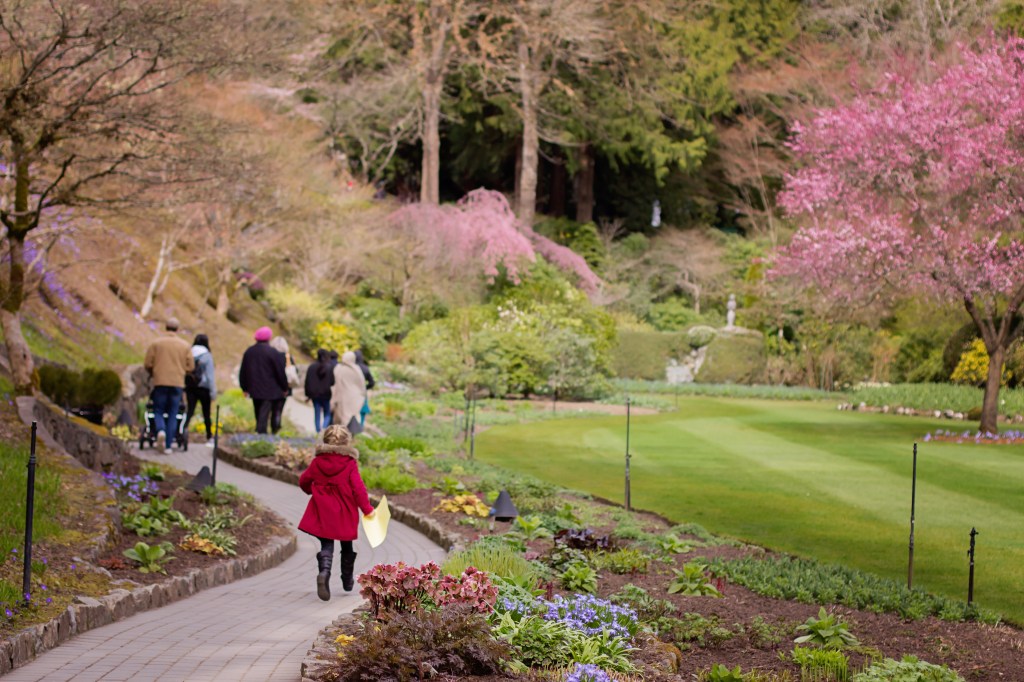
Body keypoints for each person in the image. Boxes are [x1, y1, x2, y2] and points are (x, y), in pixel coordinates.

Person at [298, 425, 375, 600]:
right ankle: (347, 579)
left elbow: (304, 480)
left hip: (322, 510)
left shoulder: (318, 461)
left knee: (327, 544)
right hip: (345, 510)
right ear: (347, 442)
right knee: (346, 544)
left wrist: (311, 490)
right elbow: (358, 489)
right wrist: (367, 510)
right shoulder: (349, 463)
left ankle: (324, 573)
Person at [143, 317, 194, 454]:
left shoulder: (156, 344)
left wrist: (154, 372)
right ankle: (168, 446)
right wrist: (182, 371)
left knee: (158, 410)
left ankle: (160, 430)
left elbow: (148, 363)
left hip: (160, 381)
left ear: (166, 327)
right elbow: (191, 366)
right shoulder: (184, 345)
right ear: (177, 329)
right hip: (177, 383)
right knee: (173, 413)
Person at [238, 326, 289, 434]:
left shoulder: (249, 351)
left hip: (254, 388)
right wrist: (284, 387)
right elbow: (280, 372)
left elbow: (243, 371)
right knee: (264, 414)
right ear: (268, 338)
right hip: (269, 390)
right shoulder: (272, 352)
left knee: (258, 412)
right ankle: (261, 435)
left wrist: (244, 387)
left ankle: (260, 433)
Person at [184, 334, 216, 446]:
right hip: (204, 388)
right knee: (206, 413)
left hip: (190, 387)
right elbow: (210, 375)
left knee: (190, 411)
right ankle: (209, 436)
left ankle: (182, 430)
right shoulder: (207, 356)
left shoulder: (189, 353)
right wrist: (213, 392)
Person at [330, 351, 368, 434]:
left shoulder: (339, 368)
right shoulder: (357, 370)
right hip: (353, 398)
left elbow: (335, 383)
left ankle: (339, 438)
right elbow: (362, 386)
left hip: (341, 397)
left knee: (341, 419)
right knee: (349, 418)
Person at [269, 335, 299, 435]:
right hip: (285, 388)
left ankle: (271, 427)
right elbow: (295, 371)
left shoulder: (270, 356)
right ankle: (276, 427)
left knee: (270, 409)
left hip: (272, 387)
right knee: (278, 410)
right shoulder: (288, 357)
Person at [304, 348, 335, 432]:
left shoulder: (311, 367)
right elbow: (332, 382)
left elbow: (307, 382)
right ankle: (324, 428)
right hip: (326, 394)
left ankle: (318, 430)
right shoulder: (329, 367)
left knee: (317, 413)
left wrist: (308, 395)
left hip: (315, 395)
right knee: (327, 413)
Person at [353, 349, 375, 426]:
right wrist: (365, 388)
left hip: (351, 392)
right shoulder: (365, 368)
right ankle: (360, 426)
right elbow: (372, 382)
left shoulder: (352, 368)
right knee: (362, 411)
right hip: (362, 393)